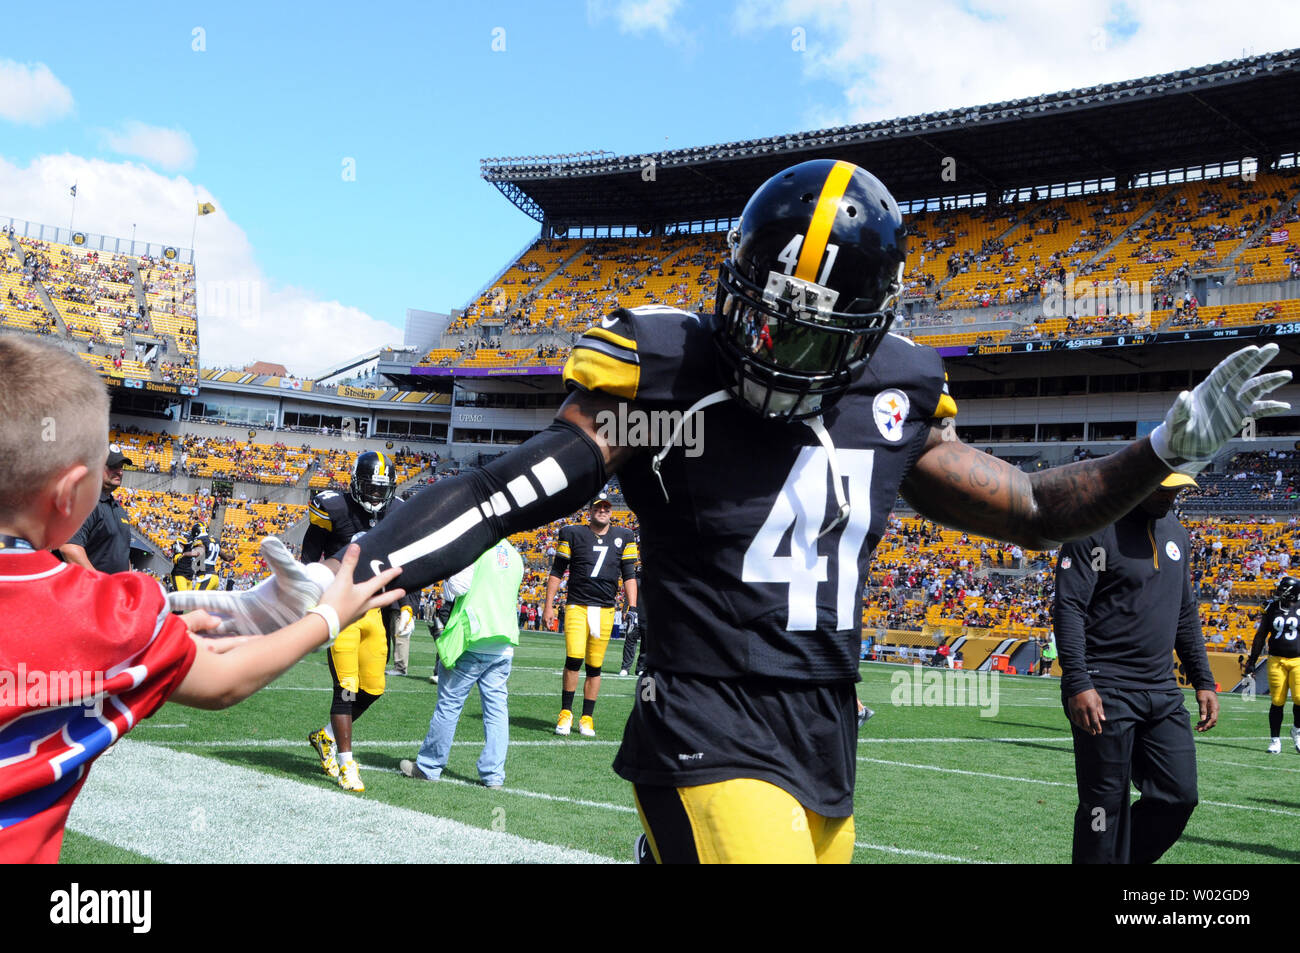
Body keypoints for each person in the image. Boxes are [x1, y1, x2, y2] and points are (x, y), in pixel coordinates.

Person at [172, 158, 1291, 864]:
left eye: (813, 336)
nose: (776, 351)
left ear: (864, 332)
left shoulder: (892, 393)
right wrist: (349, 568)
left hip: (825, 731)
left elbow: (1039, 505)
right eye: (767, 318)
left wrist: (1160, 448)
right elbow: (511, 486)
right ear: (732, 285)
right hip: (702, 717)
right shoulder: (668, 379)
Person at [0, 335, 403, 862]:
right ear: (70, 492)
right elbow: (222, 681)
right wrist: (324, 616)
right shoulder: (94, 611)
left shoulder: (105, 612)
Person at [1054, 473, 1219, 864]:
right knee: (1102, 808)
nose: (1171, 496)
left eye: (1177, 489)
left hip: (1161, 692)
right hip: (1103, 687)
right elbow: (1069, 607)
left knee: (1178, 796)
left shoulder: (1176, 532)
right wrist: (1078, 682)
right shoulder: (1092, 527)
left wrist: (1203, 679)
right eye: (1163, 488)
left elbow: (1185, 612)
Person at [302, 451, 414, 792]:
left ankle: (326, 736)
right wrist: (312, 599)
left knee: (374, 688)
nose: (377, 496)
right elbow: (309, 558)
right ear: (355, 483)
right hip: (342, 611)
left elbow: (401, 564)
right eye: (372, 488)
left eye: (383, 490)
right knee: (346, 689)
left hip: (374, 612)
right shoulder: (335, 508)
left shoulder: (397, 512)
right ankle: (347, 763)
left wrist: (407, 605)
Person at [399, 539, 523, 787]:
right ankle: (493, 775)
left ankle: (429, 766)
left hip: (472, 638)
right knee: (497, 711)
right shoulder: (515, 555)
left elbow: (455, 589)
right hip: (504, 641)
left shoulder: (475, 547)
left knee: (449, 703)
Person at [544, 496, 638, 737]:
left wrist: (633, 607)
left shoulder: (624, 536)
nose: (603, 511)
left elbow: (629, 574)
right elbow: (557, 570)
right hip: (577, 605)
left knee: (595, 666)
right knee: (573, 660)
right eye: (598, 507)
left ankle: (587, 717)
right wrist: (548, 606)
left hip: (606, 608)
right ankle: (565, 713)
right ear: (590, 510)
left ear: (611, 511)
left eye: (606, 508)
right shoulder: (572, 533)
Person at [57, 443, 134, 573]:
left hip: (114, 590)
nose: (120, 471)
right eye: (113, 466)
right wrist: (101, 584)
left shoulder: (117, 508)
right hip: (88, 590)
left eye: (121, 467)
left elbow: (122, 554)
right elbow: (69, 548)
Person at [1244, 575, 1300, 754]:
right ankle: (1275, 740)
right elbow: (1260, 635)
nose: (1278, 591)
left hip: (1298, 660)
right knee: (1277, 701)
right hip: (1276, 659)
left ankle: (1297, 731)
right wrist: (1252, 661)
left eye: (1282, 589)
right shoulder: (1272, 607)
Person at [171, 522, 220, 591]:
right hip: (180, 573)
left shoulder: (202, 541)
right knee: (183, 598)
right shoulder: (187, 537)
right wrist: (180, 555)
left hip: (190, 575)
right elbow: (178, 551)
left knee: (190, 600)